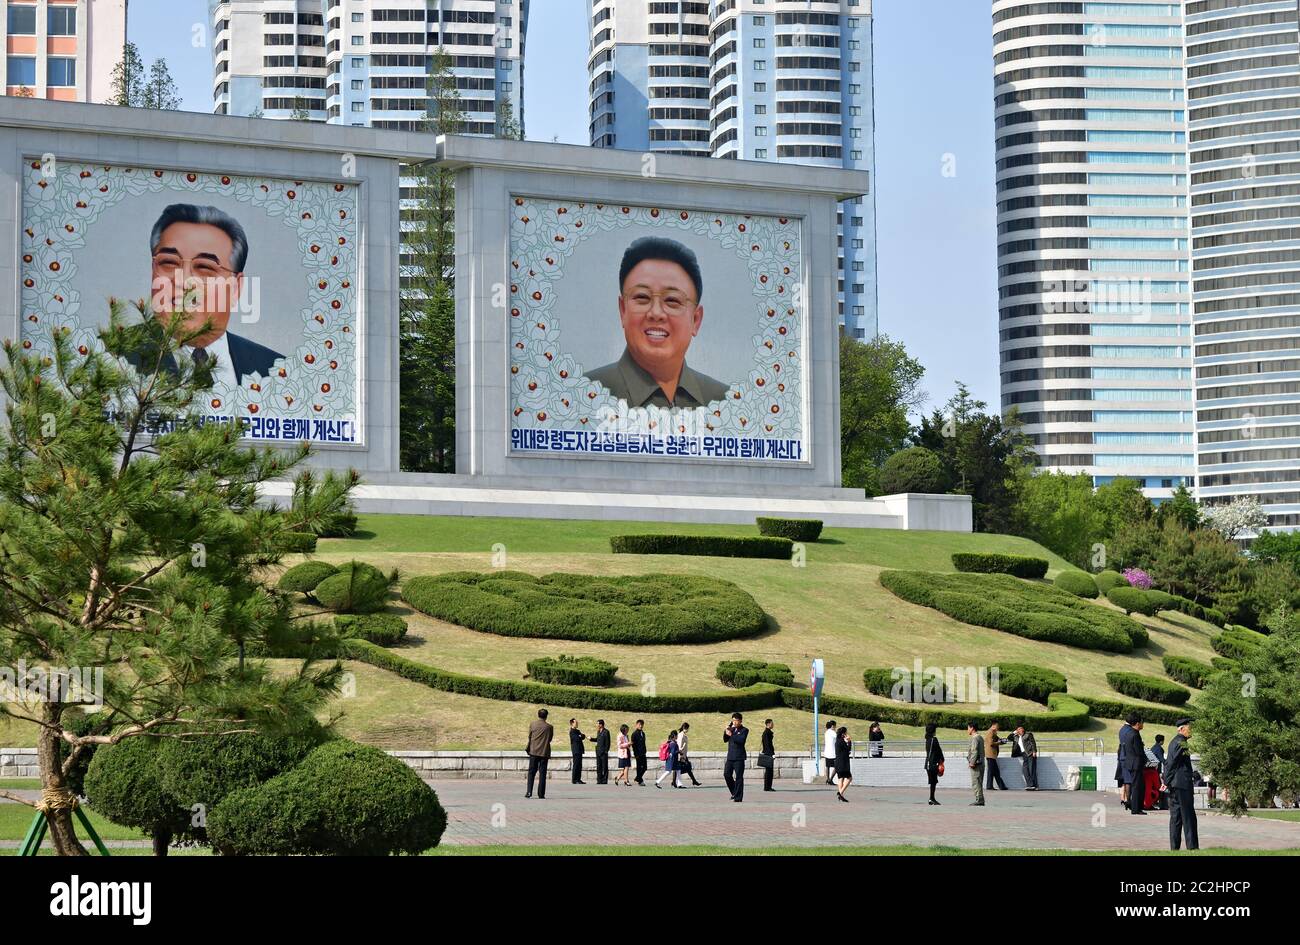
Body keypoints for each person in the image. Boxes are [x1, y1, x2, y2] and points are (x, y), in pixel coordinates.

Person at [147, 203, 283, 385]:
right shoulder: (111, 357)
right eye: (169, 262)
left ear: (236, 288)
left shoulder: (277, 370)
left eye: (204, 267)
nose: (184, 281)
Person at [585, 236, 729, 409]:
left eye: (672, 300)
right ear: (623, 310)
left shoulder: (725, 403)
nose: (656, 313)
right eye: (642, 297)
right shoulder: (582, 394)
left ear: (695, 320)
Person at [1162, 719, 1199, 850]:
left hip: (1175, 784)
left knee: (1176, 817)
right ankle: (1192, 847)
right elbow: (1172, 763)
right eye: (1190, 728)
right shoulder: (1181, 742)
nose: (1191, 731)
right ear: (1182, 729)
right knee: (1188, 816)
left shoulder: (1175, 742)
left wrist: (1166, 781)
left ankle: (1174, 848)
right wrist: (1165, 781)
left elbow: (1169, 763)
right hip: (1182, 784)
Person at [1120, 715, 1147, 814]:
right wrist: (1145, 759)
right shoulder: (1135, 734)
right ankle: (1136, 808)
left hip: (1130, 763)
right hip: (1136, 763)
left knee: (1137, 786)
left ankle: (1136, 807)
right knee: (1137, 787)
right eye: (1142, 722)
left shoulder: (1128, 733)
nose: (1142, 724)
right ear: (1137, 723)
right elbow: (1138, 751)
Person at [525, 708, 554, 800]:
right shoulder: (549, 727)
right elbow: (550, 739)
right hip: (544, 752)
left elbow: (529, 736)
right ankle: (541, 794)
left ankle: (529, 792)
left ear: (538, 715)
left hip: (533, 751)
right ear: (546, 716)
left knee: (531, 773)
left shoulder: (533, 724)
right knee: (542, 773)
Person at [723, 713, 748, 802]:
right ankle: (734, 792)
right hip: (730, 757)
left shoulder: (744, 730)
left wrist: (731, 735)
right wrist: (726, 731)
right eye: (733, 720)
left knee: (739, 777)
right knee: (726, 774)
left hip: (739, 757)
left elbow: (741, 740)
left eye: (736, 720)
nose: (734, 722)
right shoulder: (731, 729)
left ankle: (738, 797)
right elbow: (725, 740)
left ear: (740, 721)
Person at [924, 722, 945, 806]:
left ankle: (931, 798)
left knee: (933, 781)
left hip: (928, 763)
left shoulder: (927, 740)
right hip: (933, 763)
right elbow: (938, 751)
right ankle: (931, 798)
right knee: (934, 782)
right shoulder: (934, 739)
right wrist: (942, 760)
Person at [1012, 724, 1038, 791]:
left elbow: (1033, 743)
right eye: (1019, 729)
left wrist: (1034, 751)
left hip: (1030, 753)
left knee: (1032, 770)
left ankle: (1035, 785)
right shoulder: (1016, 737)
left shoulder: (1028, 734)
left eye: (1021, 728)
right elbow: (1008, 738)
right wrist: (1013, 733)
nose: (1020, 729)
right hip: (1024, 755)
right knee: (1025, 770)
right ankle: (1030, 785)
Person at [966, 721, 986, 806]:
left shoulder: (975, 738)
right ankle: (980, 799)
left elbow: (974, 751)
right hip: (981, 763)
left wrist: (972, 762)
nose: (967, 730)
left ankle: (979, 800)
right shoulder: (980, 737)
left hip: (976, 765)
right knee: (979, 782)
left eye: (968, 728)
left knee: (976, 782)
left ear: (972, 728)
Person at [984, 723, 1008, 791]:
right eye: (997, 726)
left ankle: (1001, 786)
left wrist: (1002, 741)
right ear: (993, 726)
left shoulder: (993, 733)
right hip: (990, 754)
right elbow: (991, 743)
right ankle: (990, 786)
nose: (998, 728)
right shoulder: (990, 732)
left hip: (992, 755)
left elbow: (998, 739)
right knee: (992, 771)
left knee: (995, 771)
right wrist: (1000, 742)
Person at [675, 721, 700, 786]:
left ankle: (694, 781)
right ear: (684, 728)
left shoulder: (684, 735)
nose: (688, 730)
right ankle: (674, 781)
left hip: (684, 755)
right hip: (681, 755)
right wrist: (681, 756)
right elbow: (679, 746)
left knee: (687, 768)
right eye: (687, 728)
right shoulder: (681, 735)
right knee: (680, 768)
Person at [834, 726, 853, 803]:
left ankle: (841, 796)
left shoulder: (837, 741)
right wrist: (849, 741)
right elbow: (848, 749)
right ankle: (840, 793)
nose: (846, 734)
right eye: (845, 733)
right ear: (843, 734)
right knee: (849, 778)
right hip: (843, 763)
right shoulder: (842, 741)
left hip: (837, 762)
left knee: (840, 778)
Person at [1151, 733, 1168, 810]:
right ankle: (1158, 802)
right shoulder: (1159, 749)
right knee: (1159, 786)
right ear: (1161, 741)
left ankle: (1154, 800)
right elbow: (1162, 759)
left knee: (1153, 786)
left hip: (1151, 769)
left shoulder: (1153, 748)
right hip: (1156, 770)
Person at [591, 719, 611, 785]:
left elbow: (608, 742)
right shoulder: (598, 731)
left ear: (601, 725)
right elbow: (598, 740)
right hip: (598, 752)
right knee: (599, 766)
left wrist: (606, 751)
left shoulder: (606, 732)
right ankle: (599, 780)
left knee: (604, 767)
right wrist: (591, 739)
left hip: (603, 752)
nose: (597, 725)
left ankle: (604, 780)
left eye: (597, 724)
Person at [569, 718, 587, 785]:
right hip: (576, 750)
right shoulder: (572, 731)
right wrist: (580, 736)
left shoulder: (577, 731)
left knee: (579, 765)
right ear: (572, 723)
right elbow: (576, 738)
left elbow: (583, 736)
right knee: (576, 765)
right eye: (576, 723)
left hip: (580, 750)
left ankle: (578, 779)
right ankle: (574, 779)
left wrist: (580, 736)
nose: (577, 724)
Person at [760, 719, 776, 791]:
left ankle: (768, 787)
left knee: (769, 771)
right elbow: (767, 744)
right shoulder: (766, 733)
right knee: (769, 771)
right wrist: (771, 754)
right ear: (768, 724)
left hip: (768, 753)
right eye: (772, 723)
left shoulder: (767, 732)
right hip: (768, 754)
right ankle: (767, 787)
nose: (773, 725)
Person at [632, 719, 648, 785]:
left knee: (645, 767)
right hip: (638, 754)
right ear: (636, 725)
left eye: (642, 725)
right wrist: (636, 754)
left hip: (643, 753)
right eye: (639, 724)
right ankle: (640, 781)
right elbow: (634, 745)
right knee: (639, 768)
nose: (641, 726)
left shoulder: (643, 733)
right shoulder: (634, 734)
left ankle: (637, 778)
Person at [823, 720, 838, 785]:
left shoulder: (826, 732)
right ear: (832, 726)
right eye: (835, 725)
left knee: (828, 766)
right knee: (837, 767)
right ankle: (831, 779)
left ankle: (828, 779)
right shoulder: (832, 732)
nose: (835, 727)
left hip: (827, 752)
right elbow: (838, 737)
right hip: (833, 752)